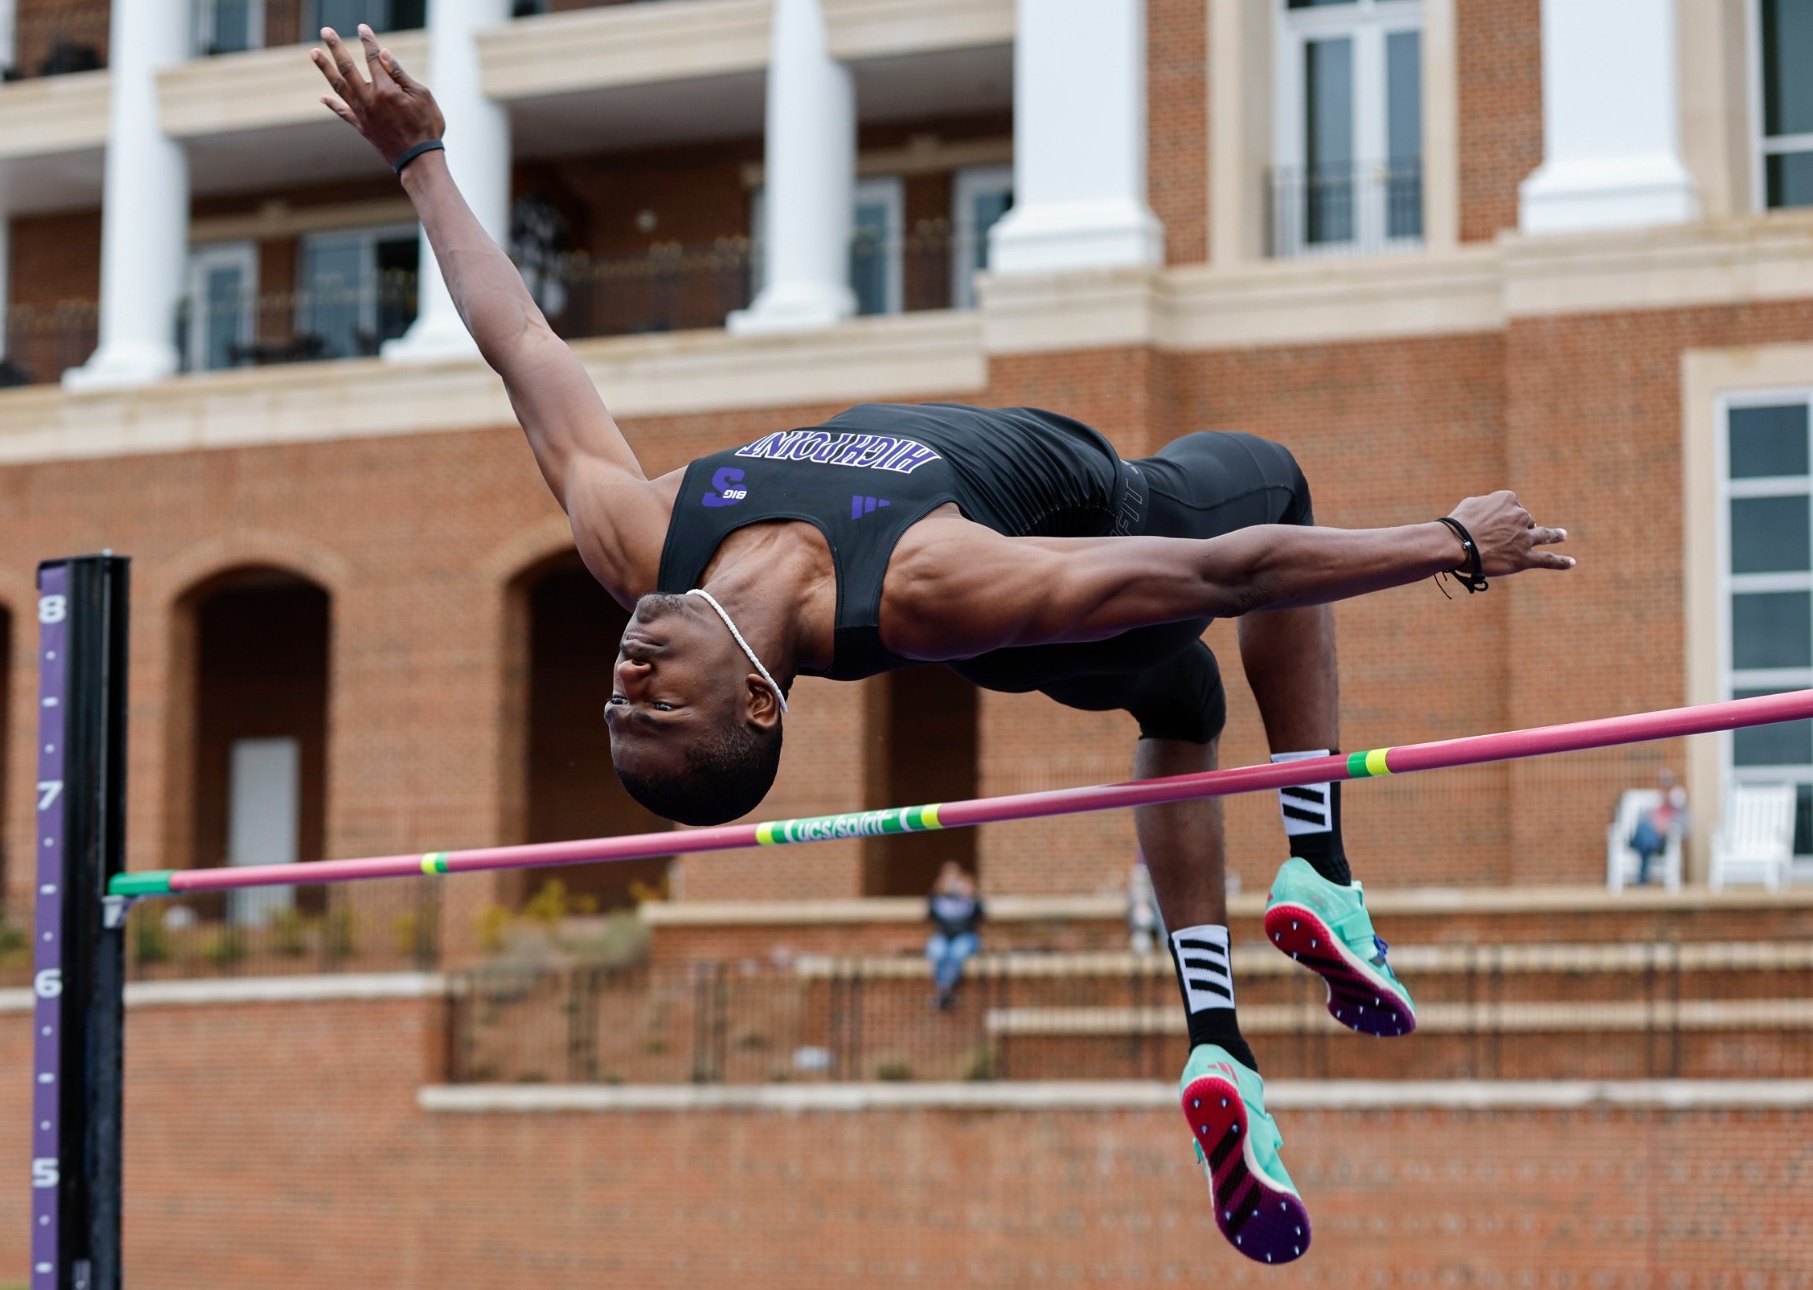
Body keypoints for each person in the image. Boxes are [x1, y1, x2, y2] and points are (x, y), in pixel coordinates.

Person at [311, 28, 1576, 1265]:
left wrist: (419, 156)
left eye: (617, 701)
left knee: (1184, 704)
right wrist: (1449, 542)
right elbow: (1220, 568)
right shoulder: (923, 580)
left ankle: (1218, 1045)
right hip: (1096, 544)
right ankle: (1319, 867)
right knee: (1269, 484)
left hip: (1040, 623)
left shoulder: (637, 538)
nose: (625, 677)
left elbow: (522, 344)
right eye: (658, 706)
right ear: (758, 706)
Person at [926, 860, 984, 1010]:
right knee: (937, 950)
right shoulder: (939, 897)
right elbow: (929, 915)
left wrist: (973, 895)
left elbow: (981, 915)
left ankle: (944, 990)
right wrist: (935, 892)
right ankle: (945, 991)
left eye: (955, 876)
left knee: (957, 953)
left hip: (966, 936)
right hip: (944, 937)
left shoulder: (968, 896)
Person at [1631, 768, 1690, 885]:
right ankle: (1642, 879)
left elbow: (1686, 828)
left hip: (1661, 843)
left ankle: (1642, 881)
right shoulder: (1653, 803)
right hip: (1646, 836)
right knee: (1644, 831)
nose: (1665, 789)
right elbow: (1641, 822)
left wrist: (1667, 826)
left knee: (1647, 840)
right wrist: (1655, 823)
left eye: (1668, 785)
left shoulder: (1678, 806)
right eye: (1663, 785)